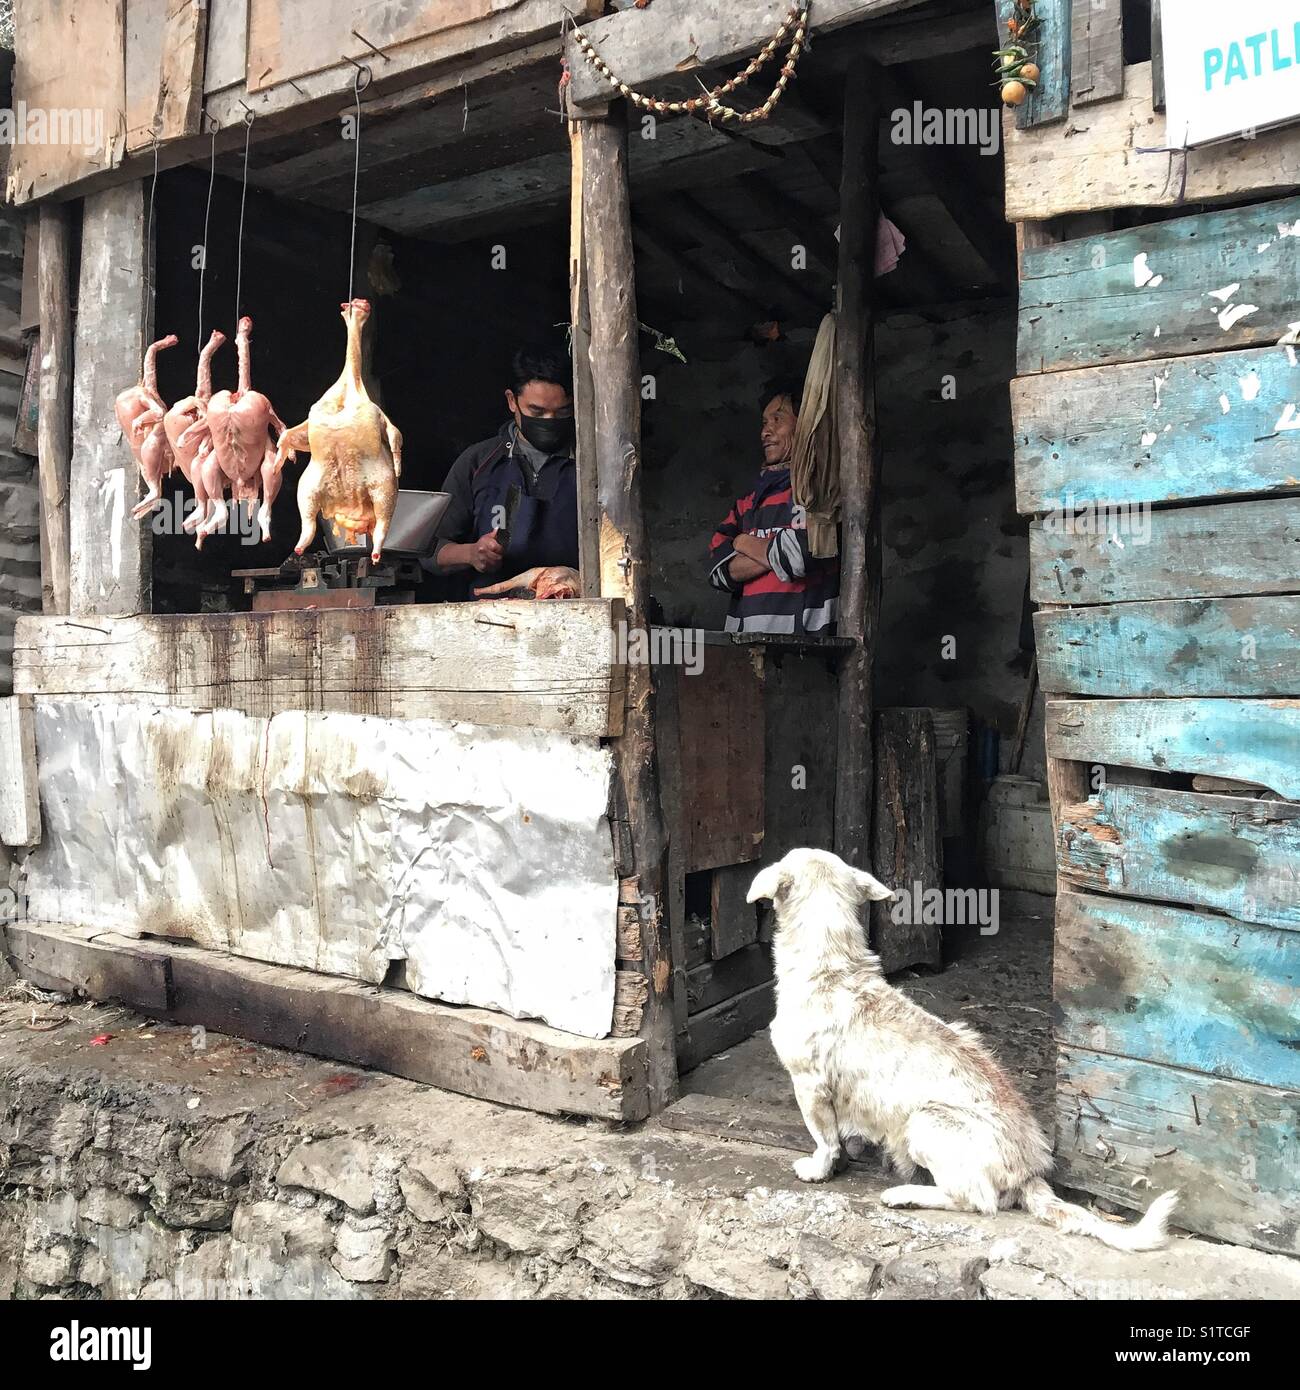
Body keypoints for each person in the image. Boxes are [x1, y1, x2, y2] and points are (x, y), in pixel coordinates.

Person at [427, 344, 578, 590]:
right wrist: (472, 553)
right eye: (536, 411)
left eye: (562, 411)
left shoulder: (591, 465)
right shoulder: (479, 461)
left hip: (575, 607)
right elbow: (431, 549)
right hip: (490, 614)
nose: (549, 422)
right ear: (512, 401)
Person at [707, 380, 839, 634]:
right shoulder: (748, 501)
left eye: (777, 420)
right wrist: (775, 551)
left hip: (805, 649)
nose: (765, 432)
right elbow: (715, 570)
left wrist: (741, 543)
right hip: (746, 650)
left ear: (804, 425)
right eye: (764, 423)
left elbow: (800, 556)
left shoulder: (818, 491)